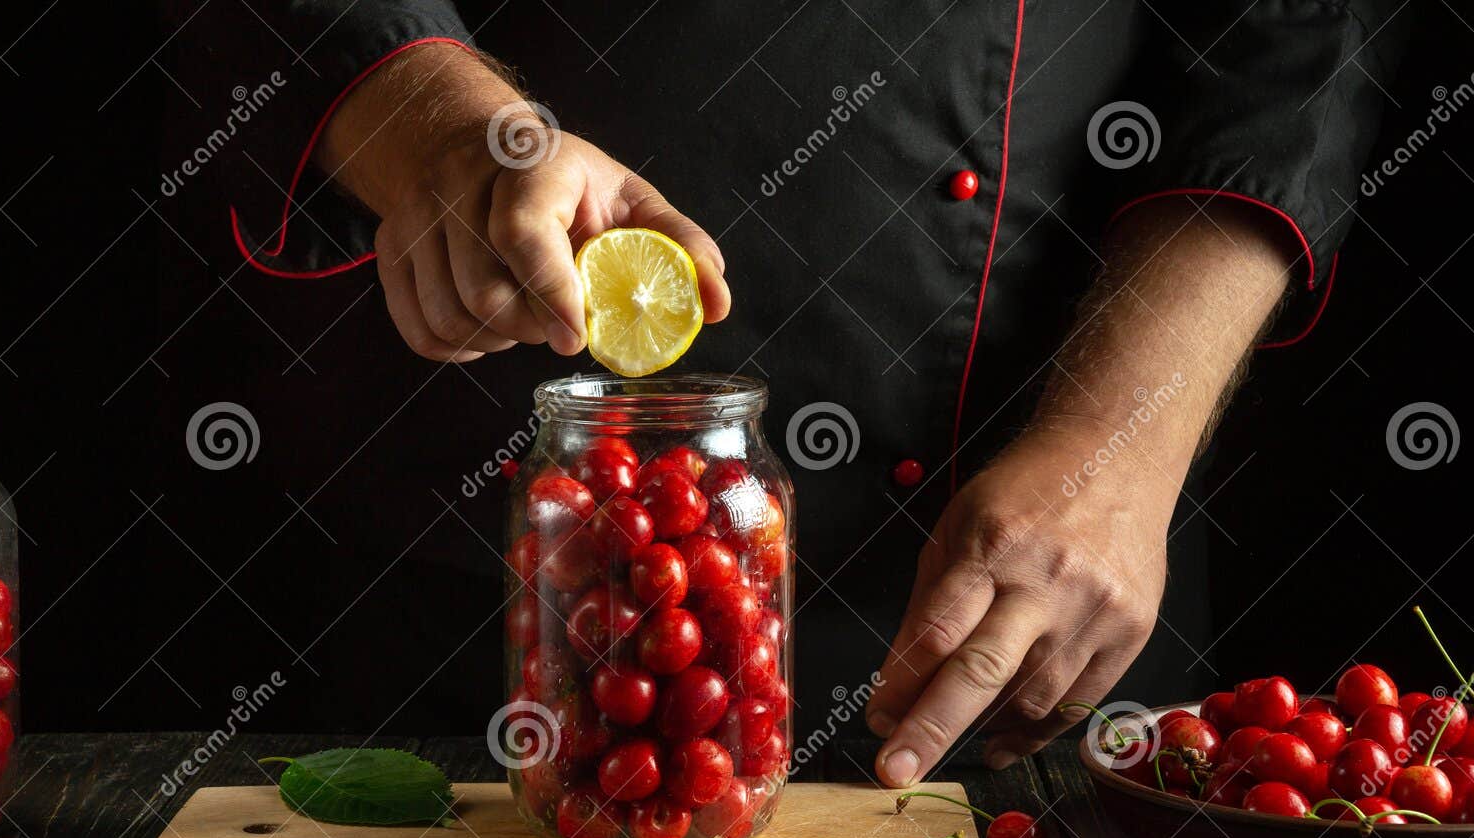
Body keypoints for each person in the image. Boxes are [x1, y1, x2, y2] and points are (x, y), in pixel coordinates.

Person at [211, 1, 1405, 784]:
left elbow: (1297, 51)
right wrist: (448, 131)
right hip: (484, 614)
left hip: (1033, 599)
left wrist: (1119, 446)